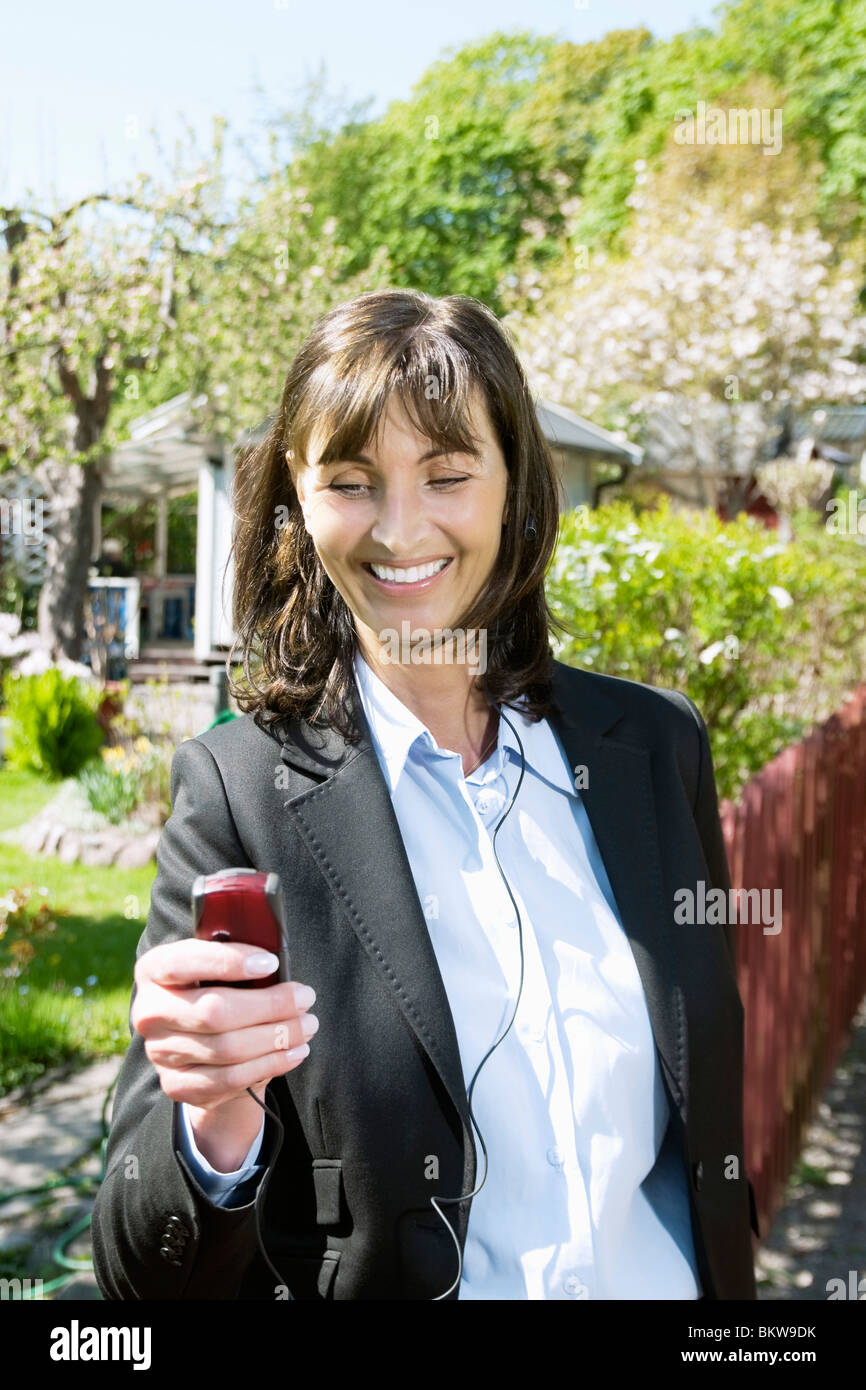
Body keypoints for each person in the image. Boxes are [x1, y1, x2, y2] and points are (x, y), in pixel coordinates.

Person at [90, 288, 759, 1301]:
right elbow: (138, 1274)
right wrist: (212, 1120)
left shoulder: (657, 749)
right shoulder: (237, 795)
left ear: (514, 484)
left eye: (446, 474)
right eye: (351, 482)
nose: (400, 532)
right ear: (297, 501)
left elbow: (704, 1127)